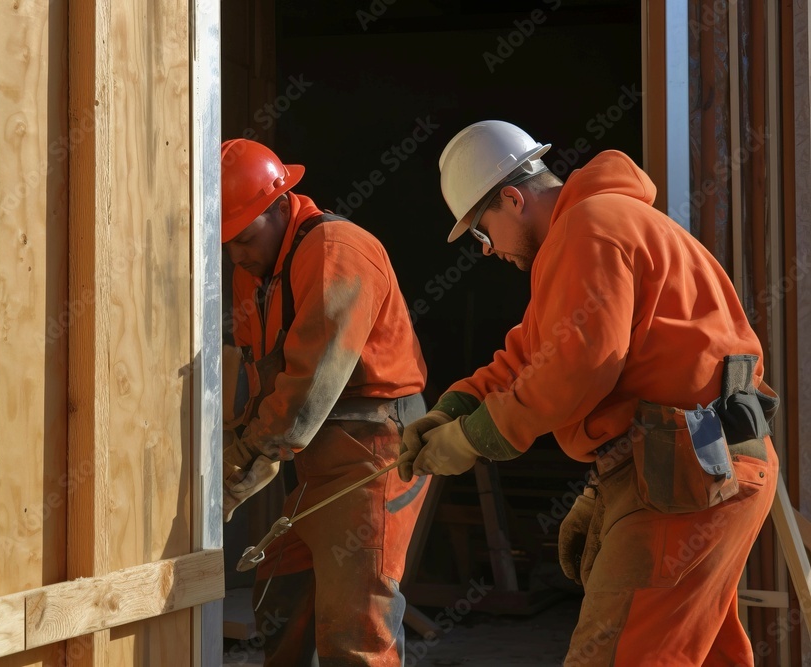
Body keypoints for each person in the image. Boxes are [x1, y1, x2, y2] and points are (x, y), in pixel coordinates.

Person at [397, 120, 779, 665]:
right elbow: (530, 354)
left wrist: (477, 437)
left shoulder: (590, 229)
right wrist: (454, 409)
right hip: (694, 466)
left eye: (483, 231)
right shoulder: (592, 231)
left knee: (616, 654)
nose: (485, 250)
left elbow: (579, 367)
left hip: (689, 474)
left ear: (511, 197)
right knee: (693, 652)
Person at [220, 138, 430, 666]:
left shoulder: (336, 250)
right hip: (318, 454)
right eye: (225, 244)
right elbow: (262, 373)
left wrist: (245, 459)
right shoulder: (255, 269)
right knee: (281, 590)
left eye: (242, 238)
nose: (236, 255)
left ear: (277, 207)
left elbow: (310, 385)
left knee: (355, 626)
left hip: (374, 452)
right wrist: (242, 445)